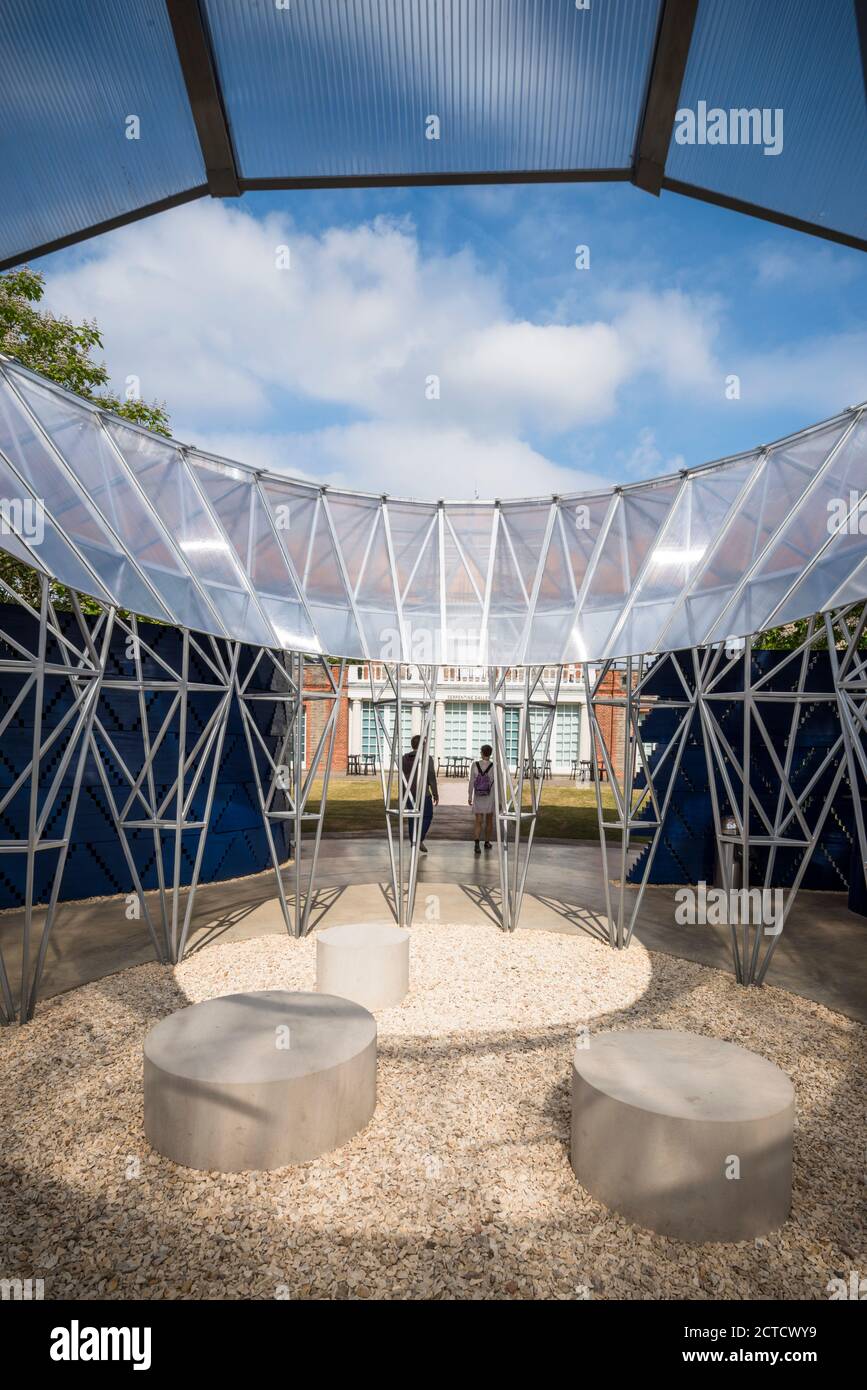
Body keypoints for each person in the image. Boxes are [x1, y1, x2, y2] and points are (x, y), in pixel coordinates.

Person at [401, 734, 438, 854]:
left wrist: (402, 794)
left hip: (409, 793)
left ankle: (414, 842)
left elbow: (402, 777)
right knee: (427, 816)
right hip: (423, 793)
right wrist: (435, 794)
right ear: (422, 745)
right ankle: (419, 839)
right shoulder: (426, 758)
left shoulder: (404, 758)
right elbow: (431, 777)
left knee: (412, 819)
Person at [468, 744, 495, 854]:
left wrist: (470, 795)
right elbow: (497, 784)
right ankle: (487, 842)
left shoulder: (475, 765)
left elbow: (471, 782)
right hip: (490, 797)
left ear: (481, 753)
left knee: (478, 821)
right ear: (490, 753)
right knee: (489, 821)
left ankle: (477, 844)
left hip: (478, 797)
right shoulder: (494, 766)